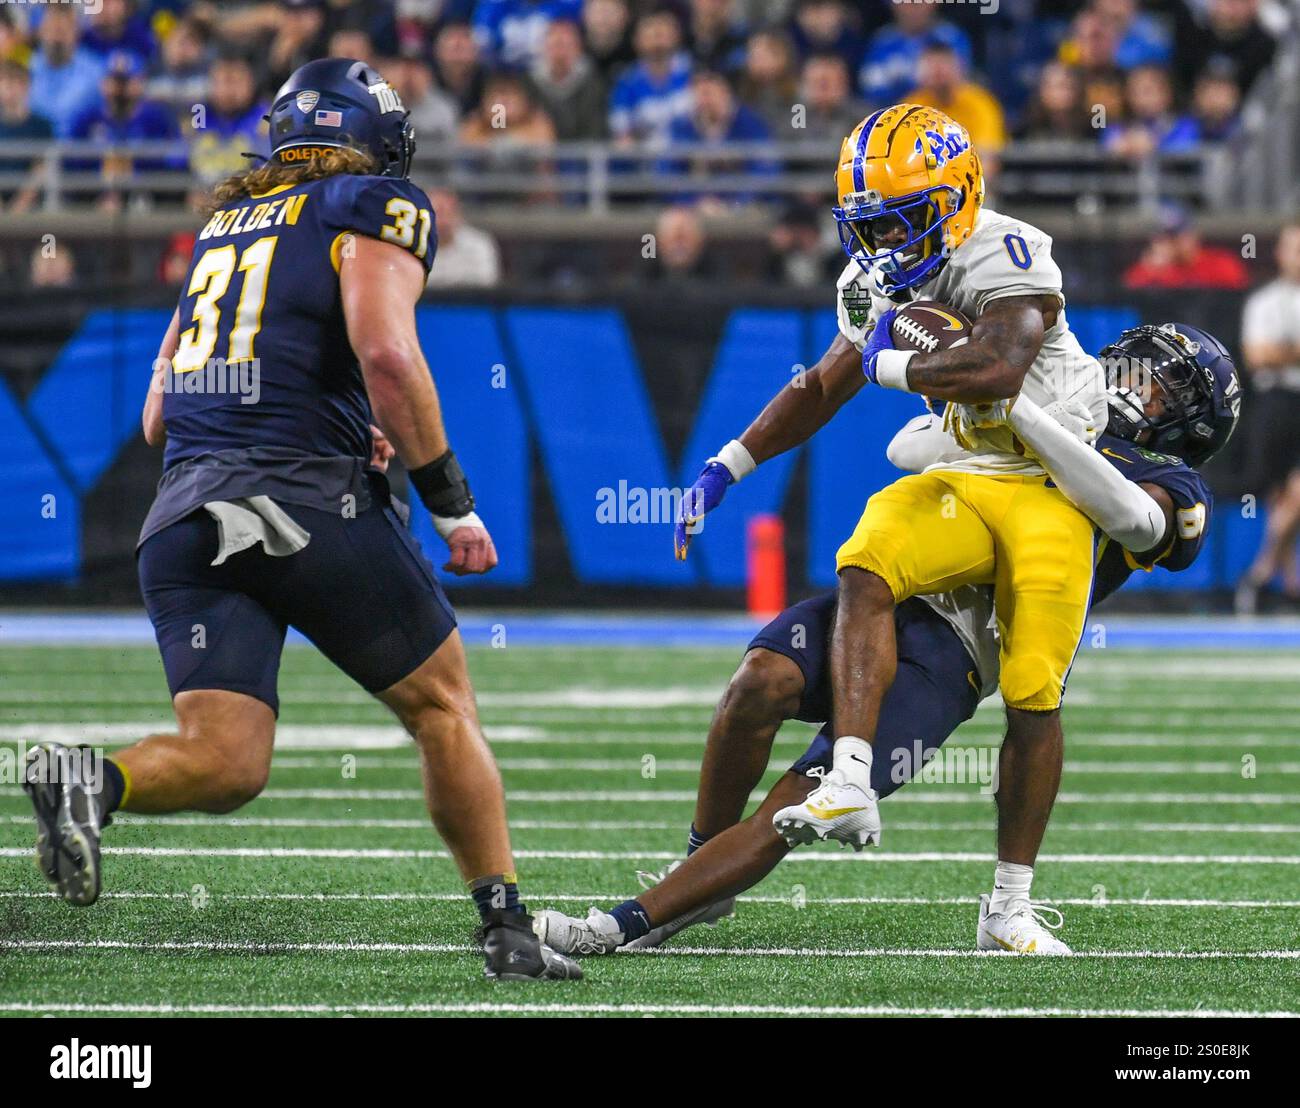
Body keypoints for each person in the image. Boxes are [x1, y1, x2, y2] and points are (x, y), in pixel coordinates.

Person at [22, 57, 577, 983]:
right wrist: (452, 505)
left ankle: (96, 781)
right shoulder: (369, 204)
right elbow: (390, 357)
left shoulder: (222, 226)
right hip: (296, 502)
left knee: (229, 761)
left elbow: (157, 415)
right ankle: (507, 926)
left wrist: (327, 411)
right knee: (442, 703)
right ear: (375, 142)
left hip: (183, 517)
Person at [535, 322, 1240, 956]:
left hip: (956, 652)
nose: (1127, 383)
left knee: (802, 798)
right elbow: (908, 444)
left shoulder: (1170, 481)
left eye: (1154, 384)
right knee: (759, 681)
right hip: (891, 600)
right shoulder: (1057, 401)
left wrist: (1026, 422)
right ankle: (699, 871)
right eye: (1133, 367)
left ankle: (622, 926)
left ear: (1185, 423)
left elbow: (1135, 521)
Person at [674, 105, 1109, 914]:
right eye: (870, 227)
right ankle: (707, 870)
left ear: (959, 195)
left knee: (1035, 693)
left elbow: (996, 368)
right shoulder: (884, 276)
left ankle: (1010, 904)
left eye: (906, 220)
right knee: (781, 655)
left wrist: (891, 366)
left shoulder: (1004, 253)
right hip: (968, 476)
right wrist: (727, 464)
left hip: (1052, 488)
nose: (887, 247)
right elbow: (821, 386)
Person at [1235, 225, 1300, 613]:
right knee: (1280, 496)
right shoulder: (1266, 301)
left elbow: (1273, 351)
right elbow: (1258, 356)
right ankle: (1288, 585)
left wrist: (1285, 350)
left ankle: (1260, 573)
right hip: (1278, 401)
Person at [608, 9, 693, 145]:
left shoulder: (694, 73)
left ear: (676, 36)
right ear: (636, 40)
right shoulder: (626, 82)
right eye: (651, 34)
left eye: (662, 33)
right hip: (644, 163)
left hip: (688, 160)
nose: (657, 41)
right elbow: (621, 133)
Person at [1122, 203, 1248, 290]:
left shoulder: (1220, 263)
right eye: (1165, 237)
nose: (1171, 243)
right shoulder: (1148, 271)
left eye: (1176, 236)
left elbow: (1237, 298)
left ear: (1193, 235)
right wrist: (1155, 272)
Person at [27, 6, 106, 138]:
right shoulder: (26, 68)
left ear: (77, 32)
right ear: (40, 31)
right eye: (51, 29)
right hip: (30, 149)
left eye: (63, 30)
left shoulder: (97, 72)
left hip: (78, 151)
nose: (57, 38)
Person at [524, 18, 607, 141]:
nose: (560, 53)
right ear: (544, 48)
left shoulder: (594, 83)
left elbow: (596, 129)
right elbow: (501, 118)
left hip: (582, 153)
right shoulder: (526, 83)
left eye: (566, 45)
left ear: (578, 48)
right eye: (555, 45)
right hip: (539, 153)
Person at [0, 59, 54, 214]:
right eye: (6, 82)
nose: (11, 89)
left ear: (27, 86)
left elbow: (41, 169)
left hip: (31, 208)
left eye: (18, 82)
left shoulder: (42, 126)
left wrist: (20, 205)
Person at [425, 188, 502, 288]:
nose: (442, 221)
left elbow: (487, 283)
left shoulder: (479, 244)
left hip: (470, 302)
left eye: (447, 213)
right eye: (436, 214)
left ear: (458, 215)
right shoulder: (412, 246)